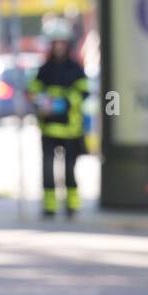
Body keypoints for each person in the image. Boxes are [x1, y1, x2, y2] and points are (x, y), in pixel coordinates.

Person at [29, 20, 89, 218]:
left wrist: (65, 100)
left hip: (71, 128)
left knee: (69, 170)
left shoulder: (75, 68)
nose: (58, 47)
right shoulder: (45, 68)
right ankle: (50, 207)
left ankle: (72, 206)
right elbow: (34, 90)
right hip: (48, 128)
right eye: (55, 43)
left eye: (62, 43)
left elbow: (84, 92)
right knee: (48, 170)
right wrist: (41, 101)